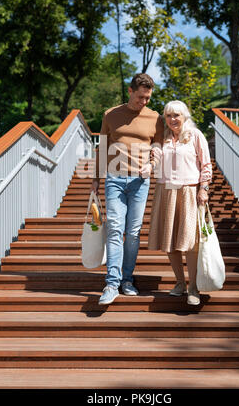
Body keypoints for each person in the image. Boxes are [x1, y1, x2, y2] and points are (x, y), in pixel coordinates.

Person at [91, 73, 164, 305]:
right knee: (114, 228)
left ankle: (127, 279)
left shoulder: (155, 118)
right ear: (130, 91)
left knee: (132, 233)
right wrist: (95, 179)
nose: (144, 102)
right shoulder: (111, 114)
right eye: (141, 97)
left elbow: (158, 148)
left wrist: (151, 166)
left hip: (140, 183)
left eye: (148, 98)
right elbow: (102, 148)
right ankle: (112, 283)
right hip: (114, 178)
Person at [148, 100, 212, 306]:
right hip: (165, 191)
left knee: (190, 242)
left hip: (189, 191)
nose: (173, 119)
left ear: (185, 116)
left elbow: (206, 164)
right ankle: (179, 283)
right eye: (168, 115)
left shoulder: (195, 135)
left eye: (177, 115)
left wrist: (204, 188)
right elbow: (155, 158)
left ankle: (193, 287)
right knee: (170, 240)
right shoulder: (162, 138)